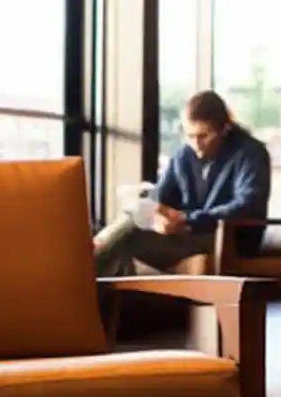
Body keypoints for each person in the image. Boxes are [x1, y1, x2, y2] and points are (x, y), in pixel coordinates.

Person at [93, 90, 271, 276]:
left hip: (230, 238)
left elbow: (247, 205)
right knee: (131, 221)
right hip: (190, 233)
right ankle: (93, 277)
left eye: (204, 136)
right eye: (189, 135)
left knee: (127, 235)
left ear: (225, 128)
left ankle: (83, 269)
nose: (196, 144)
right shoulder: (184, 155)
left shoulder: (251, 153)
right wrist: (155, 215)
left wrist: (189, 220)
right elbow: (160, 198)